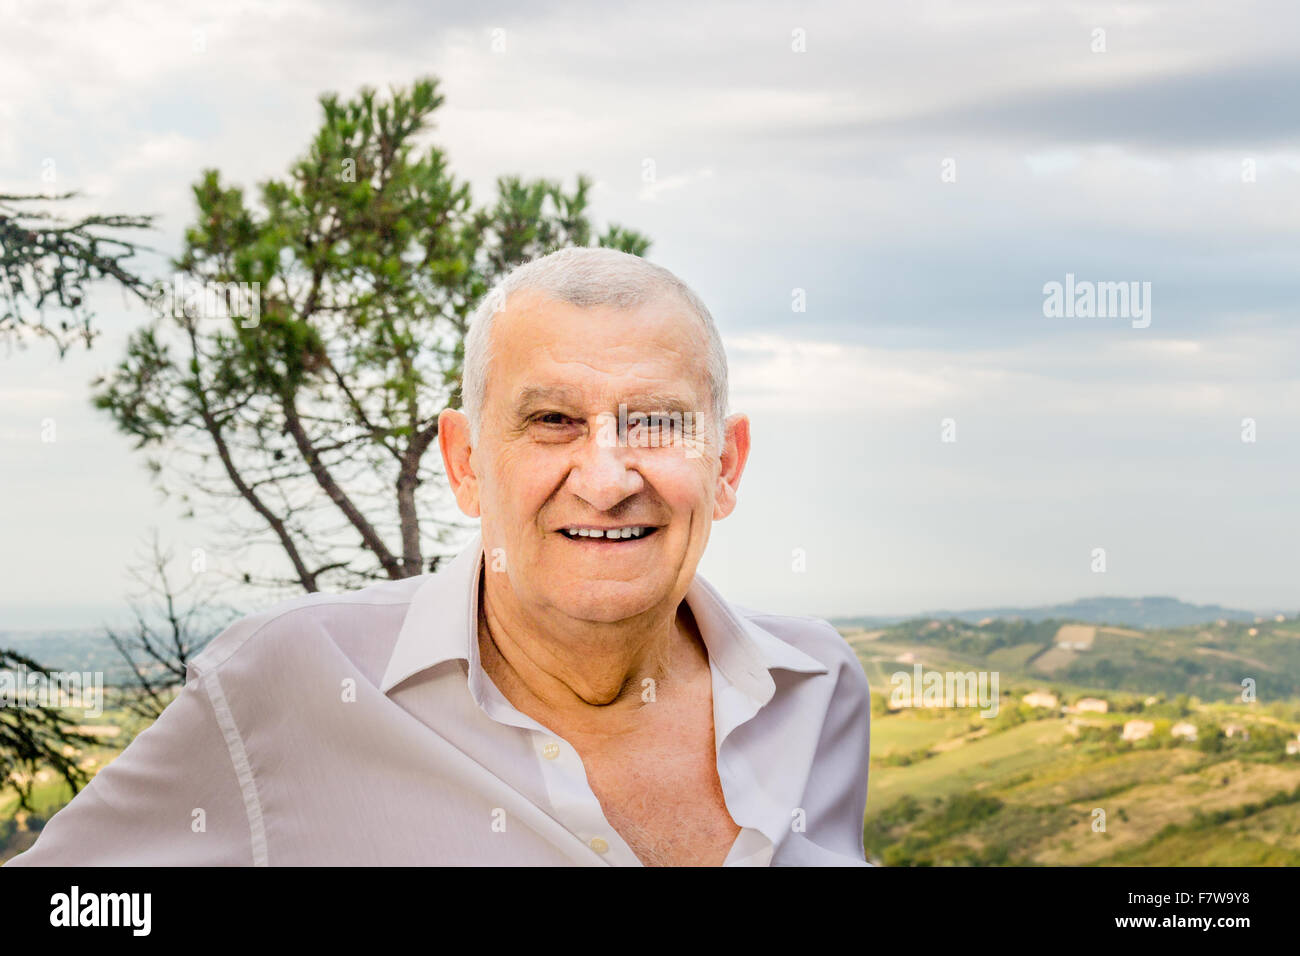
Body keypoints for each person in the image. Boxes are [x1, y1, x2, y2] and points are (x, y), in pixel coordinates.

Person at [7, 247, 871, 866]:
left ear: (725, 466)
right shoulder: (289, 679)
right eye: (552, 421)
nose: (607, 478)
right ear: (464, 463)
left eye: (657, 423)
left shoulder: (818, 689)